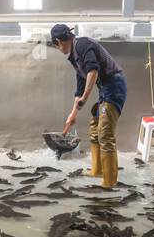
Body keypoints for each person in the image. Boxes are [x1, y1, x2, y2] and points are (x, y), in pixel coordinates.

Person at [51, 24, 126, 190]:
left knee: (105, 134)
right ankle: (97, 170)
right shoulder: (75, 57)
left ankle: (109, 182)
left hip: (114, 86)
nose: (58, 48)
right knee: (95, 127)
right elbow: (80, 89)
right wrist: (72, 115)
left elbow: (93, 71)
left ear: (58, 42)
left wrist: (85, 98)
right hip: (104, 89)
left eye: (56, 46)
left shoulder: (82, 44)